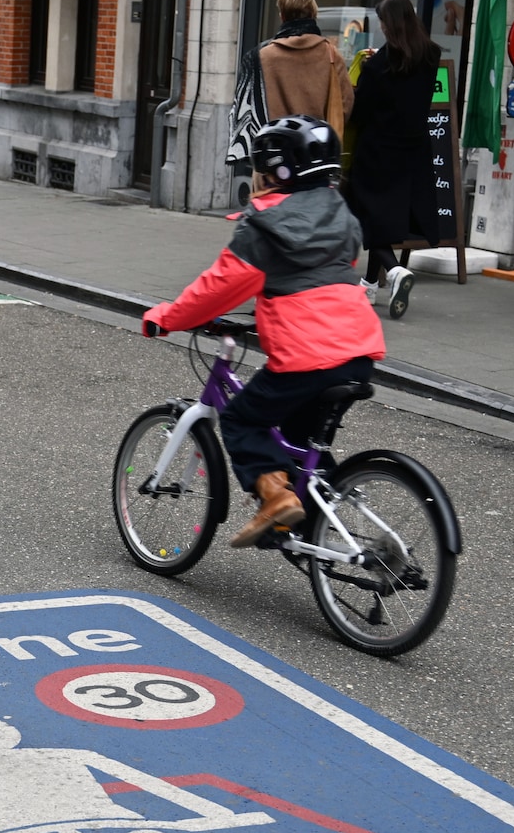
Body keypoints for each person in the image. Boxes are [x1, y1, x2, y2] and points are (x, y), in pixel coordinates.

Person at [139, 114, 385, 548]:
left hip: (307, 356)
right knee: (297, 440)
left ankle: (274, 498)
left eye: (264, 168)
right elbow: (324, 279)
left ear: (280, 170)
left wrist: (168, 316)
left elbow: (220, 286)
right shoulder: (341, 214)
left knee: (240, 421)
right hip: (359, 351)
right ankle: (308, 530)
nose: (260, 177)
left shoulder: (266, 225)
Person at [341, 0, 441, 316]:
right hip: (413, 150)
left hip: (378, 152)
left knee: (364, 212)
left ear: (390, 24)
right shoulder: (430, 56)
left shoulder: (378, 66)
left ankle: (395, 271)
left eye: (382, 22)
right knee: (385, 217)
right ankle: (369, 286)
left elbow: (362, 110)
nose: (381, 27)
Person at [258, 0, 347, 140]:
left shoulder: (264, 56)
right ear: (313, 14)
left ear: (282, 17)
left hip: (275, 148)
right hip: (317, 149)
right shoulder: (331, 55)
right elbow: (344, 104)